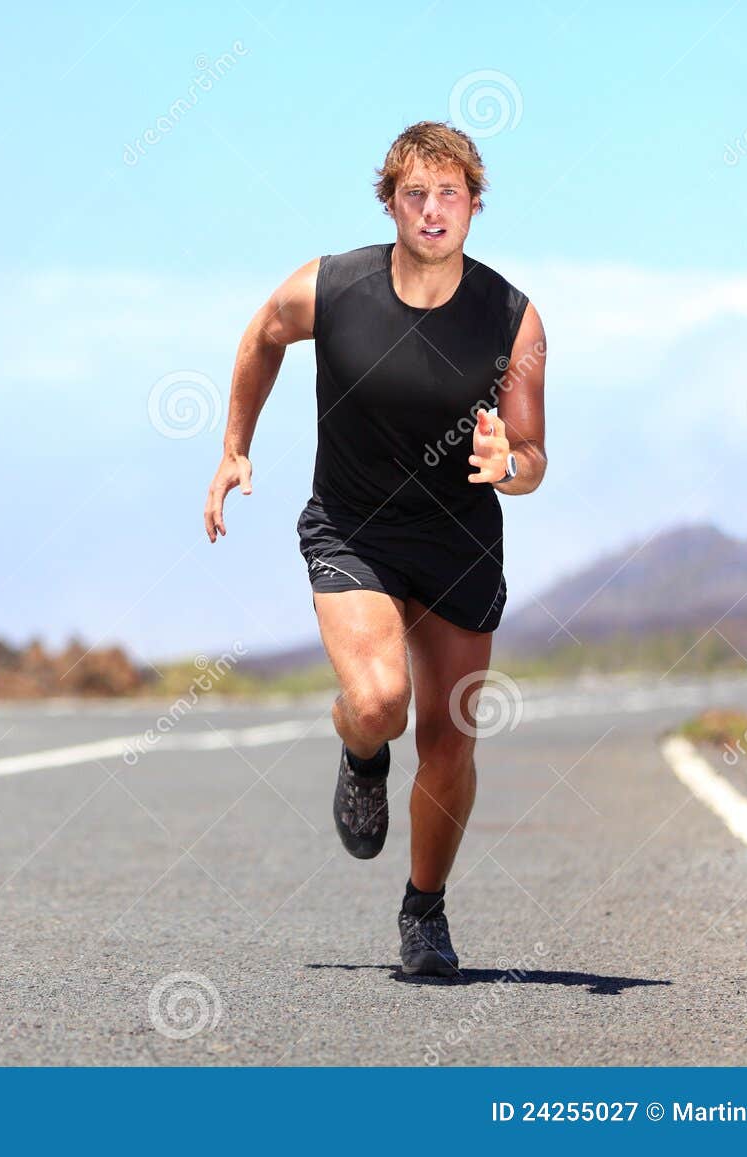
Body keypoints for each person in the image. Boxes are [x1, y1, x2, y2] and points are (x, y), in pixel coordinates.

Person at [202, 121, 547, 977]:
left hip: (459, 541)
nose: (433, 210)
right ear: (390, 201)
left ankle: (423, 910)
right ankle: (360, 748)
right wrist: (236, 446)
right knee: (381, 700)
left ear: (474, 205)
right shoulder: (332, 288)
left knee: (450, 742)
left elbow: (534, 455)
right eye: (415, 193)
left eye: (450, 193)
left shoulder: (513, 317)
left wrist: (509, 466)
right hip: (354, 528)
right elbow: (262, 335)